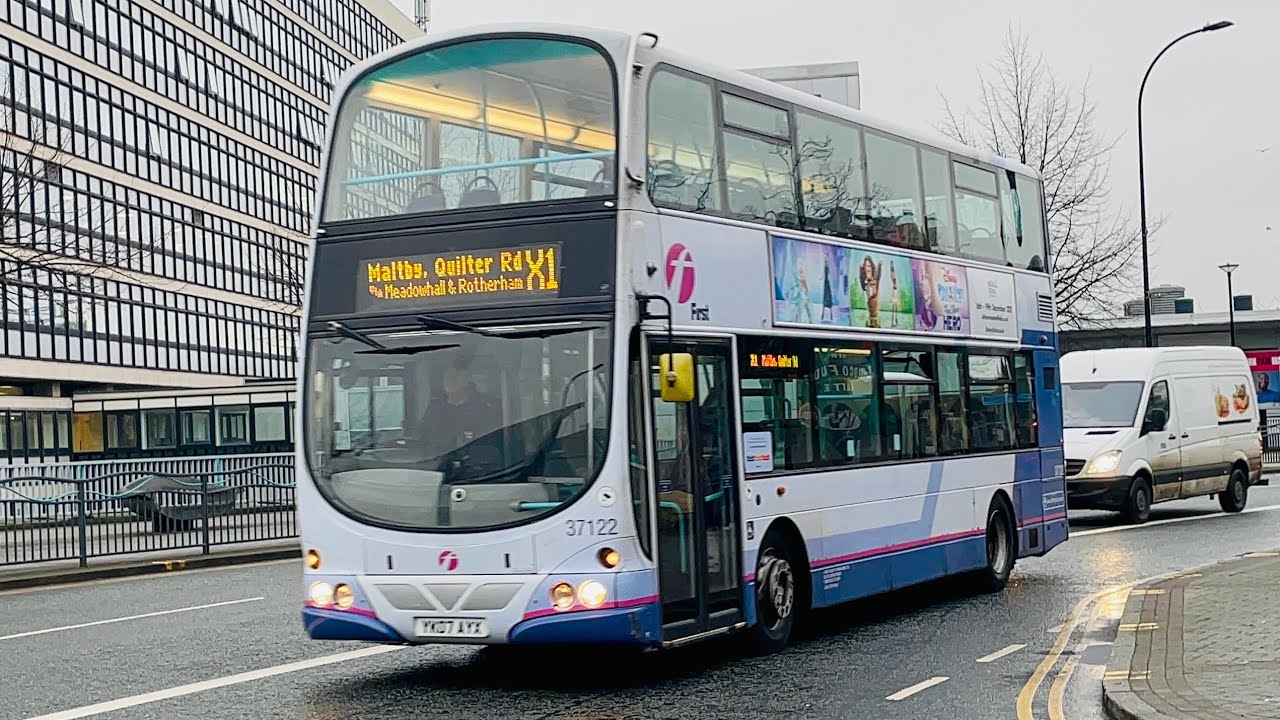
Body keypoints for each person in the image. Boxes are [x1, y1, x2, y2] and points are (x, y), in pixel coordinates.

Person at [422, 360, 502, 456]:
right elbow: (424, 439)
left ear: (468, 379)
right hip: (438, 464)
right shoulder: (434, 408)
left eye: (456, 377)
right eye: (448, 377)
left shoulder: (488, 407)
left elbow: (497, 441)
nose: (450, 381)